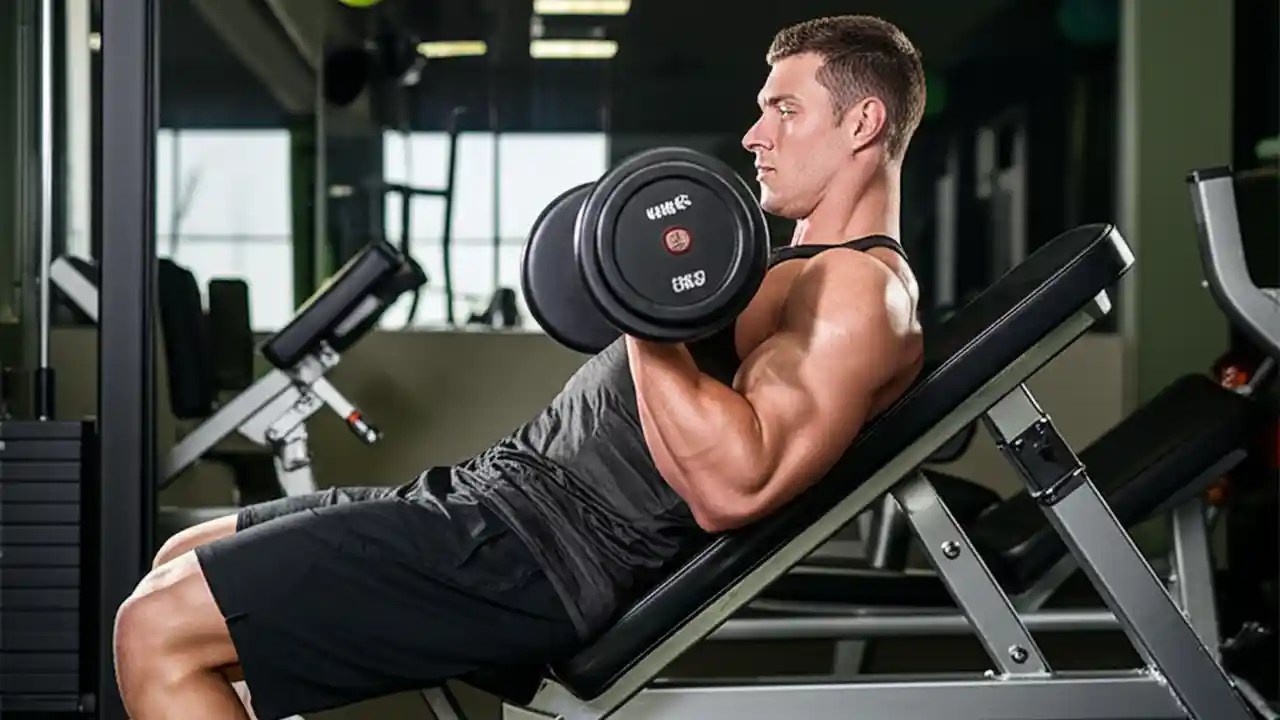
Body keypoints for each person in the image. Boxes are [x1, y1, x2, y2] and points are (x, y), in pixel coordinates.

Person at [113, 14, 928, 720]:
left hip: (536, 554)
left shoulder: (858, 294)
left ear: (862, 123)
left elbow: (736, 486)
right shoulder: (790, 266)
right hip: (494, 499)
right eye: (761, 113)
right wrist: (647, 303)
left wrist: (643, 318)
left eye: (786, 110)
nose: (757, 136)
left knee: (154, 631)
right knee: (176, 562)